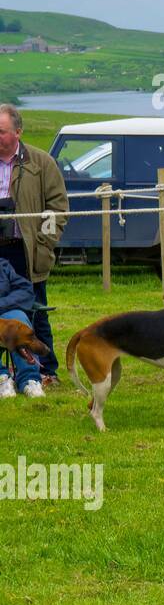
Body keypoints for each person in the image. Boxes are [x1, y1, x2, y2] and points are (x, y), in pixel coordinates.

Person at [0, 103, 67, 385]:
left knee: (36, 311)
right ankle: (6, 374)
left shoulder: (41, 163)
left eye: (1, 131)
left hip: (26, 251)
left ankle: (45, 371)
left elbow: (58, 207)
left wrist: (43, 244)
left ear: (18, 132)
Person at [0, 256, 41, 398]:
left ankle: (30, 380)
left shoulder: (3, 265)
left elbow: (25, 290)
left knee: (18, 318)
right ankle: (2, 379)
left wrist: (2, 303)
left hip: (4, 310)